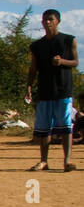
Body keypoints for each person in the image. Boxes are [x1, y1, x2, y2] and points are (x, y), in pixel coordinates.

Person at [26, 9, 77, 172]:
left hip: (63, 89)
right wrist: (28, 86)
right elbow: (33, 69)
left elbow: (75, 62)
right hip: (45, 90)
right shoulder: (36, 46)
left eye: (50, 19)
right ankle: (43, 161)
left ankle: (67, 160)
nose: (47, 22)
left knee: (65, 126)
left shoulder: (69, 40)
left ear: (58, 21)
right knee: (44, 128)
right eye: (44, 20)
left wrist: (62, 61)